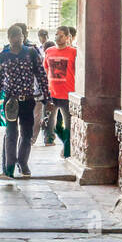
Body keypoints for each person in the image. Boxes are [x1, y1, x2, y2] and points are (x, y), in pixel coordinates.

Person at [0, 22, 51, 178]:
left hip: (27, 99)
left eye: (18, 35)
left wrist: (47, 98)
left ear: (23, 36)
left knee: (26, 134)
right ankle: (9, 168)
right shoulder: (4, 55)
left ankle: (23, 162)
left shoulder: (31, 53)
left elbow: (41, 76)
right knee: (11, 133)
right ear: (9, 38)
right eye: (13, 36)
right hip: (10, 101)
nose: (16, 39)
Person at [42, 26, 78, 156]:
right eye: (56, 34)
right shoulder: (49, 51)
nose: (58, 37)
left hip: (68, 94)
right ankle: (67, 144)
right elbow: (45, 70)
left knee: (69, 126)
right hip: (52, 95)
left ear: (68, 37)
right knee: (52, 125)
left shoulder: (73, 52)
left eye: (61, 35)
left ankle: (67, 151)